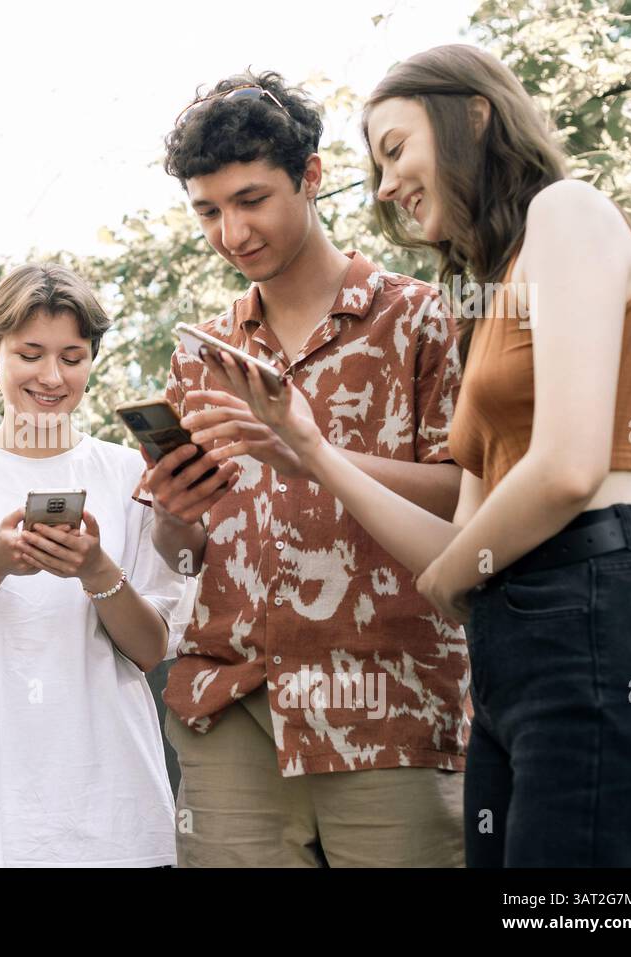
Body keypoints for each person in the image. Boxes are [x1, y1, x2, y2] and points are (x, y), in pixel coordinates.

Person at [207, 44, 631, 867]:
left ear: (474, 115)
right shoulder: (488, 297)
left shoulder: (566, 212)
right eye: (378, 164)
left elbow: (570, 468)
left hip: (596, 607)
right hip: (511, 645)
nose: (386, 184)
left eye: (396, 149)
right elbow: (460, 532)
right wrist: (312, 450)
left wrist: (451, 578)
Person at [139, 70, 469, 867]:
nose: (231, 231)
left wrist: (313, 455)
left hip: (389, 693)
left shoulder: (422, 315)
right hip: (230, 702)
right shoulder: (199, 353)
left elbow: (469, 498)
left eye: (251, 199)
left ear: (312, 176)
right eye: (208, 211)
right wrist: (174, 515)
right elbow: (183, 553)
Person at [0, 263, 192, 867]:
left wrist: (98, 572)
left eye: (72, 358)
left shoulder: (132, 477)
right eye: (30, 354)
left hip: (114, 819)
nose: (52, 377)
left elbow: (152, 649)